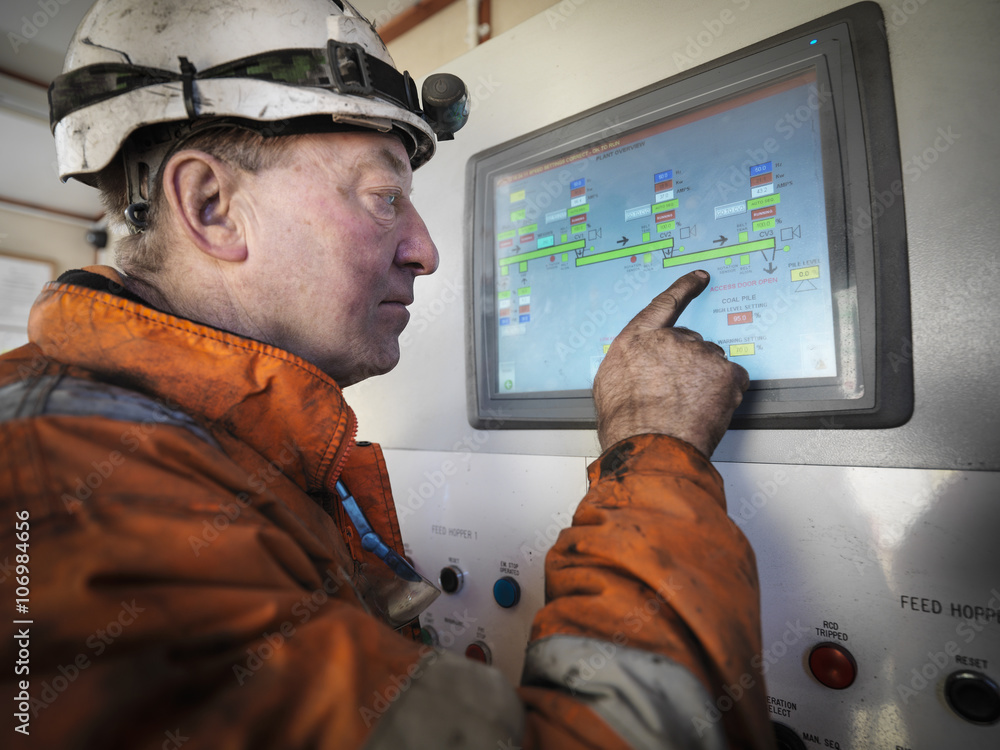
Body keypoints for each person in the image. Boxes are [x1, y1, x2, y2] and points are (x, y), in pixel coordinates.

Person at [0, 0, 773, 747]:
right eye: (383, 198)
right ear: (211, 206)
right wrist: (656, 451)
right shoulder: (80, 506)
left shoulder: (198, 442)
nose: (425, 250)